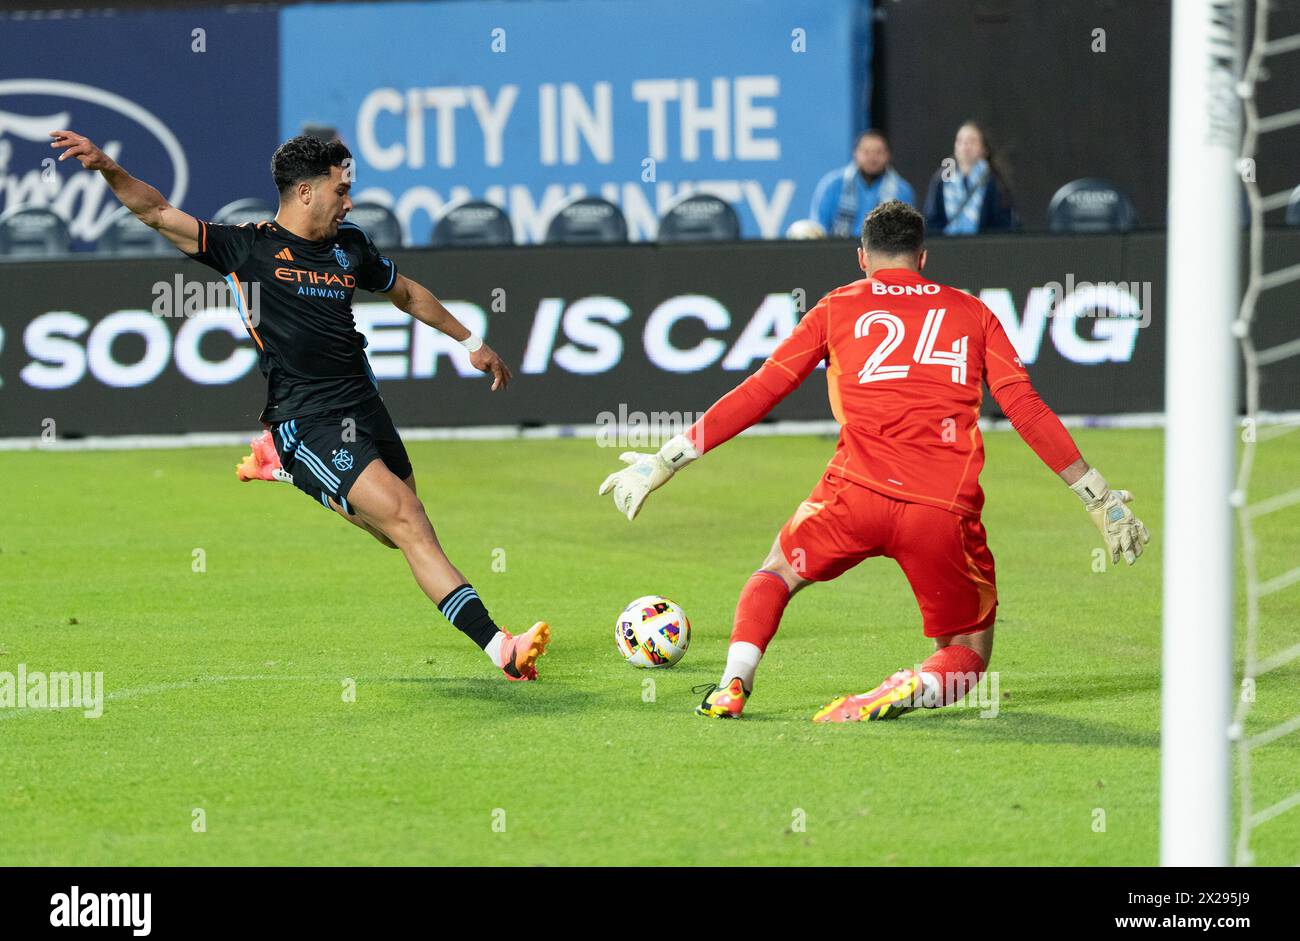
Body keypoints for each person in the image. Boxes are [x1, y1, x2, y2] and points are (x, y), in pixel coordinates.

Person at [599, 200, 1149, 721]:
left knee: (776, 572)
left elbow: (762, 390)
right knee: (968, 651)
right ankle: (912, 687)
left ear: (862, 258)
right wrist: (1097, 495)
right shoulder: (974, 313)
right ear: (924, 258)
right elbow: (1026, 409)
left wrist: (666, 461)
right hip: (942, 508)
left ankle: (734, 683)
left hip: (854, 493)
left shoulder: (837, 306)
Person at [50, 129, 551, 681]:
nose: (350, 200)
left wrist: (469, 342)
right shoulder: (247, 247)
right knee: (409, 524)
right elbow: (158, 212)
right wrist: (107, 168)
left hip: (366, 406)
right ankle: (500, 647)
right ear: (307, 192)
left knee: (398, 532)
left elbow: (403, 292)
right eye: (342, 189)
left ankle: (284, 471)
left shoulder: (350, 245)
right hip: (306, 420)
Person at [809, 130, 915, 238]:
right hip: (836, 250)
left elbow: (906, 234)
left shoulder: (902, 190)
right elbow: (818, 229)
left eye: (878, 152)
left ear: (888, 155)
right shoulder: (832, 184)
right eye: (866, 152)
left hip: (883, 252)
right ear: (855, 153)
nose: (872, 158)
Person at [922, 121, 1018, 235]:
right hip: (948, 248)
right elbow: (931, 219)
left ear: (983, 149)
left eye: (972, 141)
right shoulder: (941, 179)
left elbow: (1002, 222)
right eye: (960, 141)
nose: (965, 146)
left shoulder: (994, 180)